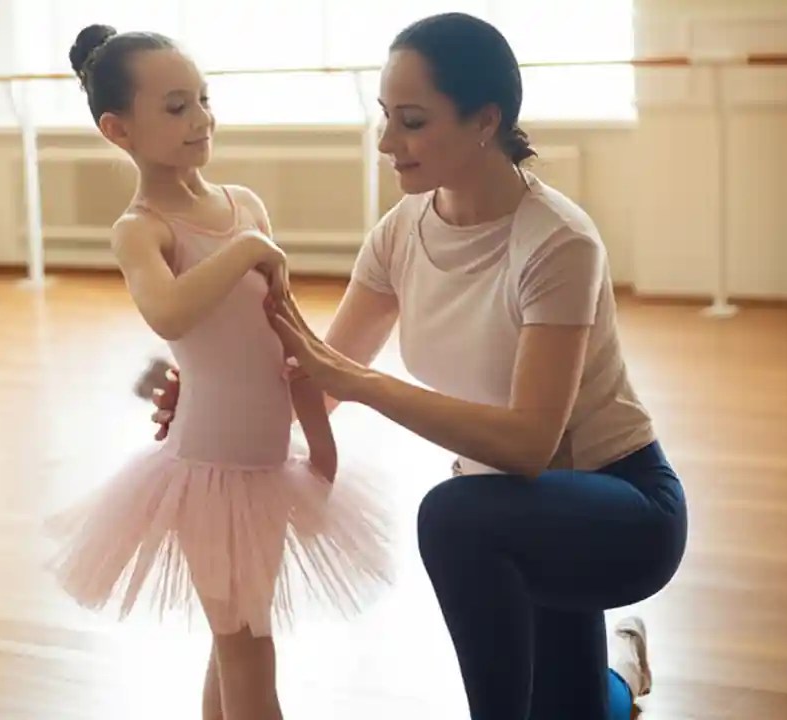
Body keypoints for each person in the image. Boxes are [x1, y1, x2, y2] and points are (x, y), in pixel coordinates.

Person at [145, 12, 687, 720]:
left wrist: (365, 383)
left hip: (617, 510)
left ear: (483, 120)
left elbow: (528, 443)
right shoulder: (400, 232)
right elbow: (313, 371)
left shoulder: (558, 243)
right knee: (571, 703)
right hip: (514, 520)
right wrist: (212, 394)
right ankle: (622, 665)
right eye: (384, 117)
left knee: (452, 516)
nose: (385, 142)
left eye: (411, 121)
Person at [47, 24, 394, 720]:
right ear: (118, 130)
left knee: (236, 635)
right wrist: (246, 251)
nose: (201, 118)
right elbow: (168, 314)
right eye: (175, 107)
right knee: (248, 643)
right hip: (208, 472)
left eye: (203, 99)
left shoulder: (244, 206)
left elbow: (287, 337)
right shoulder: (142, 229)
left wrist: (317, 438)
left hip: (269, 464)